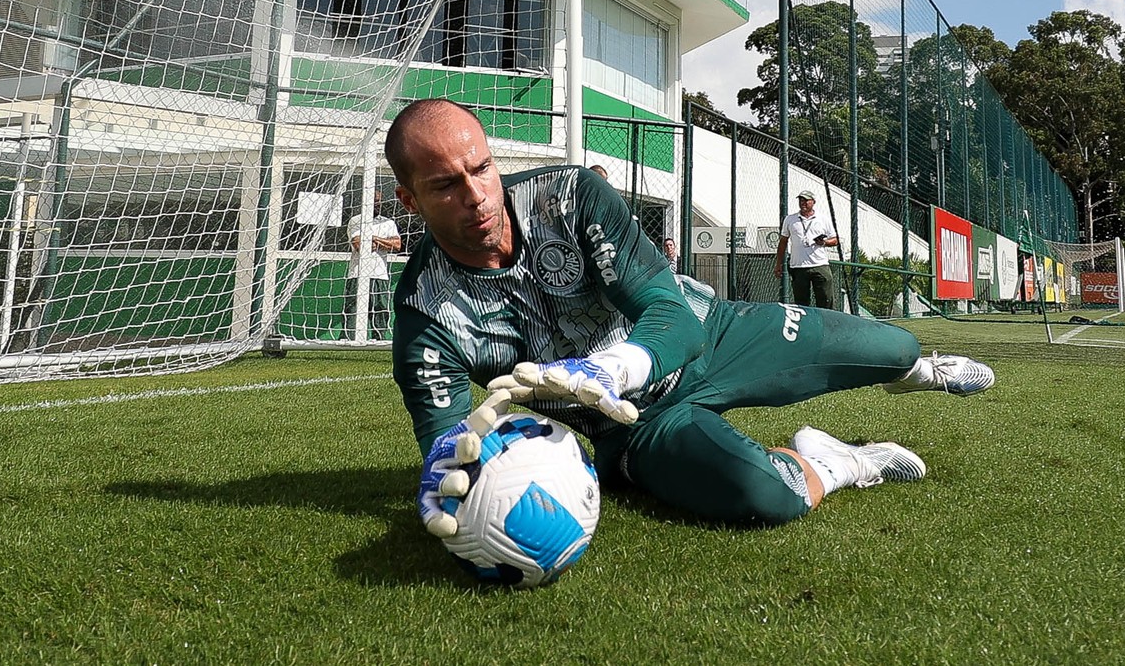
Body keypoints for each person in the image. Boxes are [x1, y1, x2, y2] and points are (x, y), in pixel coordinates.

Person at [385, 99, 994, 540]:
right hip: (635, 426)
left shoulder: (569, 195)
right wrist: (446, 477)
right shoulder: (424, 310)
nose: (477, 196)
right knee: (767, 496)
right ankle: (841, 461)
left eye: (482, 169)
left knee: (896, 346)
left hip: (715, 335)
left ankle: (916, 372)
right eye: (445, 186)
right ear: (409, 200)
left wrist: (609, 369)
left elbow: (673, 319)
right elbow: (446, 443)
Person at [343, 189, 402, 340]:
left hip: (379, 274)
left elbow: (397, 245)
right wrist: (382, 242)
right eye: (374, 201)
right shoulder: (356, 221)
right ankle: (349, 340)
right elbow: (359, 245)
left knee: (380, 309)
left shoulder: (388, 223)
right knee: (353, 309)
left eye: (379, 201)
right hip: (357, 273)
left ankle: (379, 339)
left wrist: (374, 238)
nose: (377, 204)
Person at [775, 190, 838, 309]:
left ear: (813, 202)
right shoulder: (790, 219)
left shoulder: (823, 219)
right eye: (801, 200)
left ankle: (826, 320)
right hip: (798, 267)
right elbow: (783, 242)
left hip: (820, 265)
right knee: (801, 304)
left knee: (826, 300)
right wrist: (778, 264)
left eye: (806, 200)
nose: (803, 203)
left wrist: (824, 242)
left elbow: (835, 240)